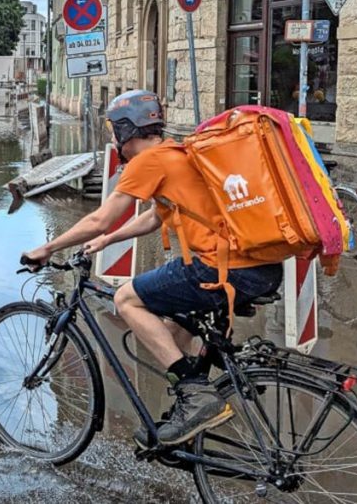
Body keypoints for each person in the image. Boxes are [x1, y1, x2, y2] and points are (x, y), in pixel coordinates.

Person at [22, 90, 283, 447]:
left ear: (128, 131)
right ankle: (192, 410)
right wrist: (108, 241)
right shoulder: (176, 153)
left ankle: (196, 396)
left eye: (115, 129)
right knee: (175, 325)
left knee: (128, 299)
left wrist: (47, 247)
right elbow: (156, 216)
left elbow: (100, 217)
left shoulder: (150, 161)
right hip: (259, 266)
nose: (114, 137)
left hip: (221, 268)